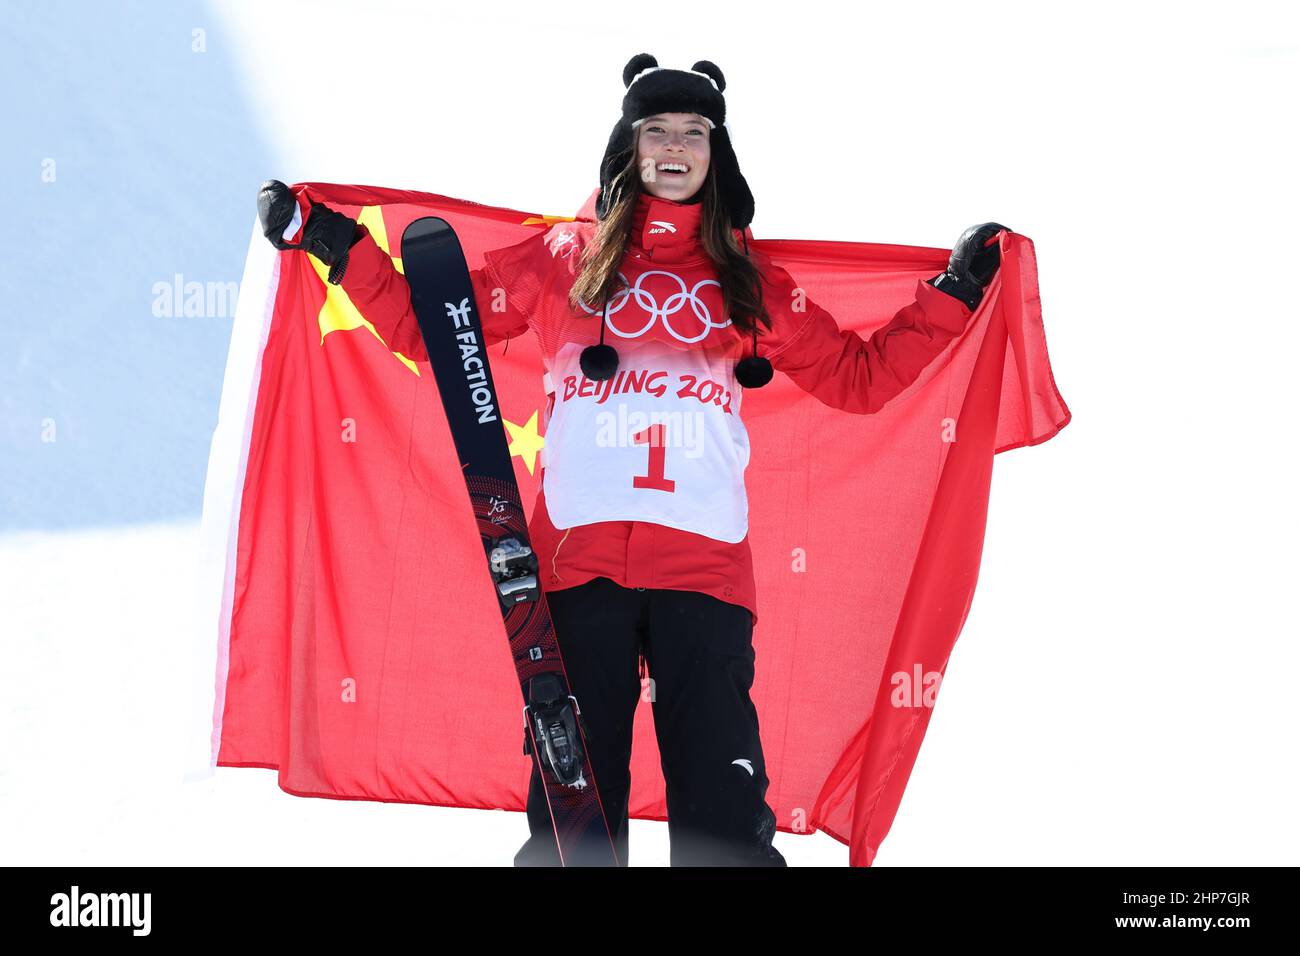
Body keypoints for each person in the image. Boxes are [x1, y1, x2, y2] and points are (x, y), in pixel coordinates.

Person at [255, 53, 1007, 867]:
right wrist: (330, 239)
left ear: (718, 157)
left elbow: (860, 381)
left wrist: (953, 294)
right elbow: (428, 328)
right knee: (575, 820)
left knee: (724, 823)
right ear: (629, 147)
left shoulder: (750, 287)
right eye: (657, 130)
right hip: (576, 581)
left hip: (706, 579)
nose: (675, 147)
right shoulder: (559, 267)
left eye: (694, 132)